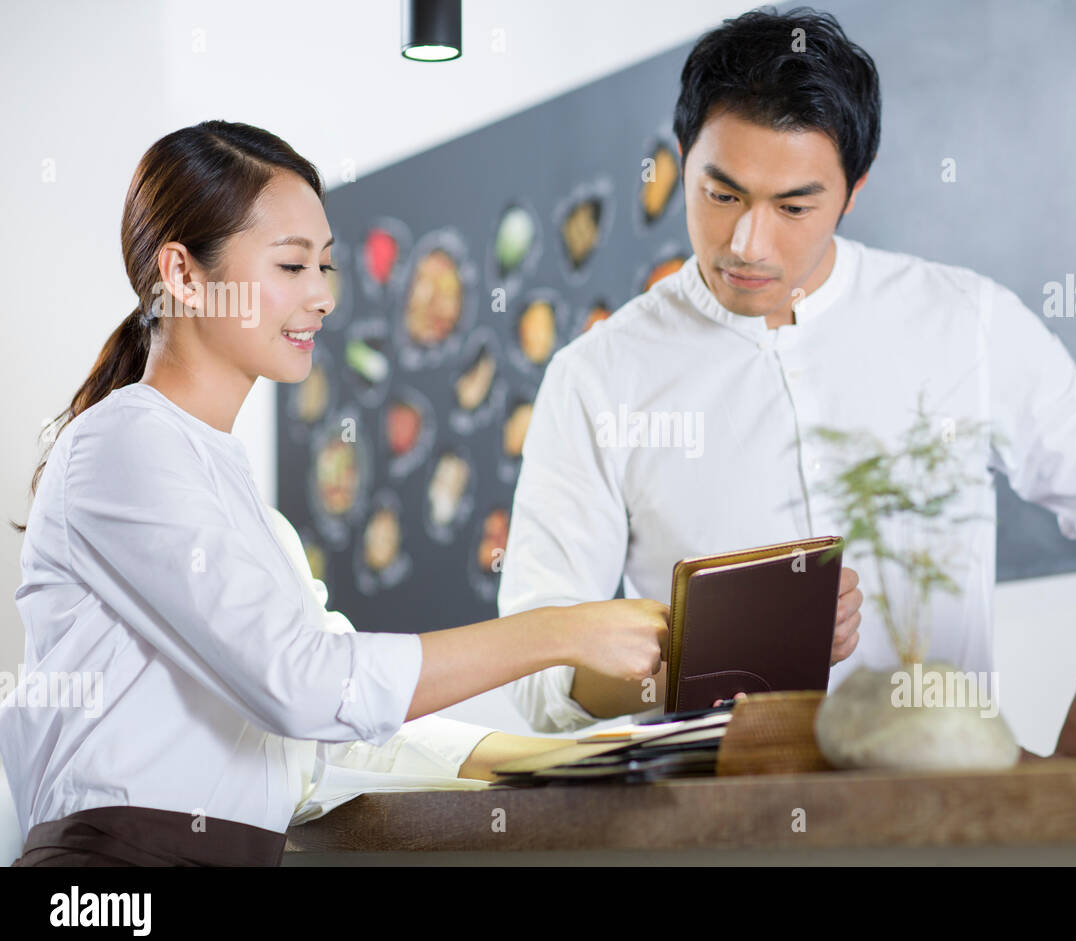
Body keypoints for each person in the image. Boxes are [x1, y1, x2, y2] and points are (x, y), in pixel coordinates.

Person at [498, 6, 1076, 758]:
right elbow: (541, 679)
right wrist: (708, 652)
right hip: (717, 825)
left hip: (947, 814)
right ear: (681, 158)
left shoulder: (965, 321)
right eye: (720, 193)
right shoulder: (597, 377)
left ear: (854, 191)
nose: (746, 243)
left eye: (794, 206)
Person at [0, 120, 666, 867]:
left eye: (326, 266)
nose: (321, 297)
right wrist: (563, 631)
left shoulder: (249, 511)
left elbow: (343, 707)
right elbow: (306, 687)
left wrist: (556, 758)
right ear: (183, 275)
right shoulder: (121, 445)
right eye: (291, 267)